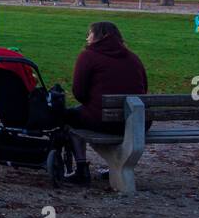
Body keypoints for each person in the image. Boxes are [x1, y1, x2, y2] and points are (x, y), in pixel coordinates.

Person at [63, 20, 148, 183]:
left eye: (89, 33)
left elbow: (79, 92)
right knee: (100, 116)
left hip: (102, 120)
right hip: (136, 122)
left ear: (99, 36)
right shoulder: (133, 57)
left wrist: (90, 103)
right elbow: (143, 88)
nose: (87, 37)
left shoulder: (88, 56)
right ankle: (115, 164)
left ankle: (81, 168)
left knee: (70, 118)